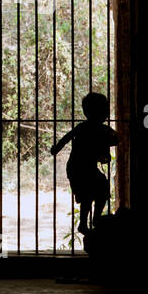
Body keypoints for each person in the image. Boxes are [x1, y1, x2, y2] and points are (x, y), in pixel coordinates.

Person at [50, 92, 119, 235]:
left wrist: (57, 148)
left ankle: (89, 221)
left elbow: (67, 138)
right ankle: (93, 220)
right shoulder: (97, 129)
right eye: (104, 111)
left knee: (94, 191)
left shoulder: (90, 128)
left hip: (79, 168)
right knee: (96, 190)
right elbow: (116, 139)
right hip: (79, 169)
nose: (106, 114)